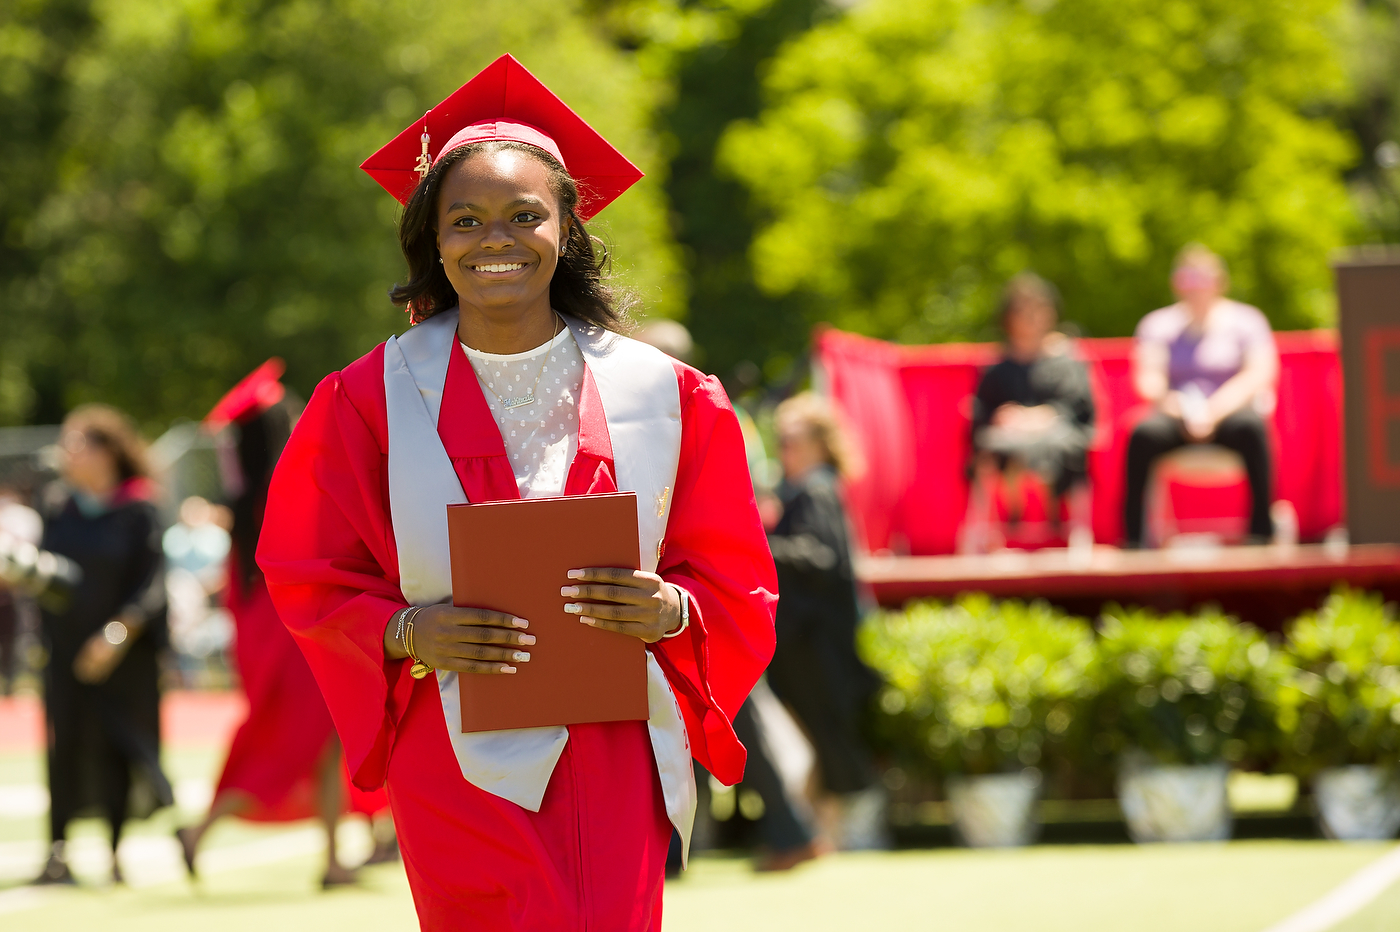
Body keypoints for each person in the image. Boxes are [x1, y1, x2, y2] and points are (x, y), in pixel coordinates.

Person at [256, 55, 776, 928]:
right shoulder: (367, 399)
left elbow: (731, 575)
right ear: (433, 238)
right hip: (455, 739)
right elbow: (308, 570)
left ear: (566, 229)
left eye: (523, 215)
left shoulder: (666, 395)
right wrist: (406, 628)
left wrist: (673, 610)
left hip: (614, 739)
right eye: (464, 219)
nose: (493, 239)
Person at [176, 360, 393, 887]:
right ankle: (200, 830)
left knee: (323, 746)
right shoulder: (289, 486)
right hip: (305, 637)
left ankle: (334, 857)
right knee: (300, 747)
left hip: (275, 641)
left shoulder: (245, 501)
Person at [33, 405, 172, 885]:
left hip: (123, 654)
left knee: (118, 746)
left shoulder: (140, 508)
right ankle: (58, 852)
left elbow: (152, 585)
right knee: (64, 745)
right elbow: (49, 574)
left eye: (77, 443)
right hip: (65, 648)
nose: (65, 453)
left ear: (107, 451)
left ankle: (116, 852)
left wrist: (116, 635)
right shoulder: (57, 505)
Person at [765, 392, 885, 850]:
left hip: (818, 644)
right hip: (813, 641)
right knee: (816, 738)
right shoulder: (811, 490)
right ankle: (819, 834)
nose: (784, 450)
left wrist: (762, 544)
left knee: (827, 736)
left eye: (792, 440)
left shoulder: (816, 491)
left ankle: (842, 835)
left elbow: (822, 558)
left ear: (818, 444)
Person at [1124, 244, 1279, 547]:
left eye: (1203, 279)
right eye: (1188, 280)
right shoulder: (1157, 324)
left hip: (1228, 414)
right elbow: (1148, 380)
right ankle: (1134, 537)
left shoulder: (1247, 320)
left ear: (1220, 281)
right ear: (1176, 283)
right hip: (1177, 414)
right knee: (1142, 434)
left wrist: (1213, 411)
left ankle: (1262, 531)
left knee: (1253, 429)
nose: (1196, 289)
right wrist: (1181, 408)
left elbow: (1258, 374)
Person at [964, 273, 1095, 552]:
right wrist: (1004, 417)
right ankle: (1009, 519)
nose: (1031, 318)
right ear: (1008, 317)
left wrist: (1043, 417)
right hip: (1007, 444)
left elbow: (1080, 411)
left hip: (1057, 440)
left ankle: (1057, 517)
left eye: (1038, 310)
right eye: (1023, 311)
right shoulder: (997, 368)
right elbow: (981, 414)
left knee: (1061, 447)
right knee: (994, 448)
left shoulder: (1067, 362)